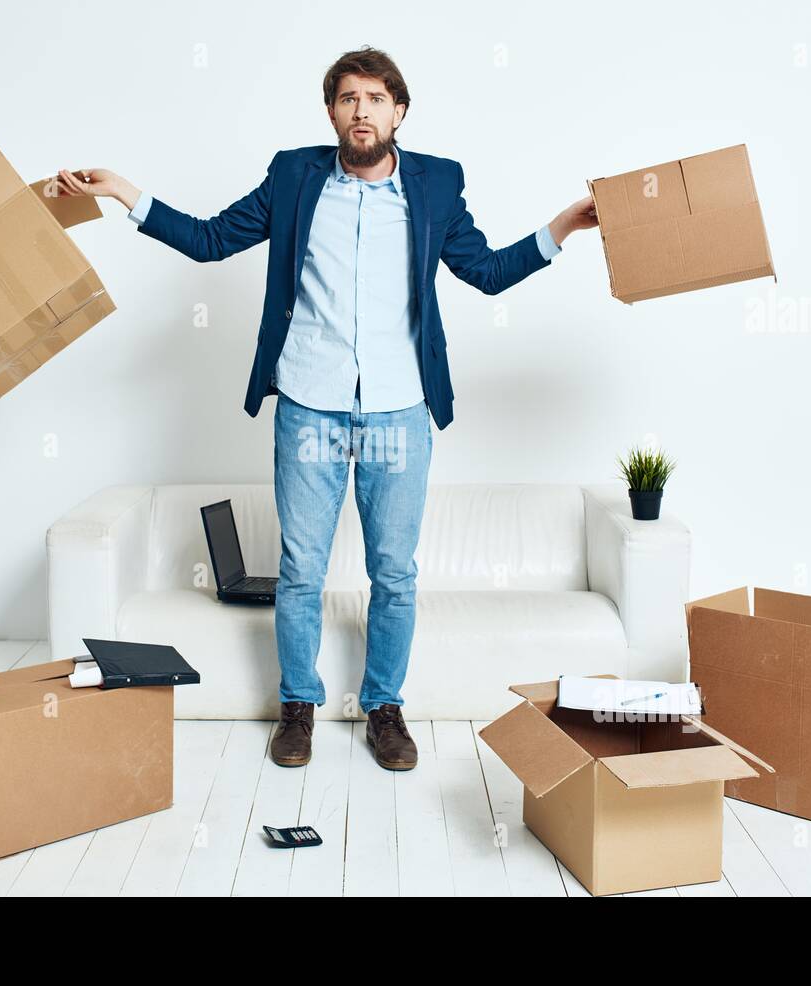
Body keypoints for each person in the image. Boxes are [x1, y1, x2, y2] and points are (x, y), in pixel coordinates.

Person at [56, 46, 599, 771]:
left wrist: (562, 226)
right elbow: (213, 241)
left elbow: (489, 273)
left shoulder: (437, 184)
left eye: (376, 98)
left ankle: (384, 707)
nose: (362, 110)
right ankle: (299, 706)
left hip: (399, 410)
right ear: (332, 112)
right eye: (348, 98)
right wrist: (127, 194)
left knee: (396, 574)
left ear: (399, 111)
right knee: (302, 571)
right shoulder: (295, 175)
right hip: (309, 405)